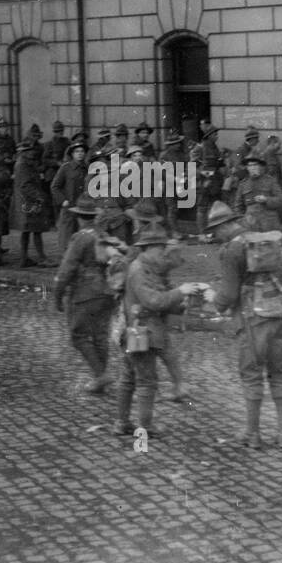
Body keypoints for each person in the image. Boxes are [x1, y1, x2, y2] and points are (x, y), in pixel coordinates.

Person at [206, 200, 282, 448]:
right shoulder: (265, 240)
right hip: (280, 313)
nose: (214, 236)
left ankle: (253, 434)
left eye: (215, 230)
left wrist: (213, 298)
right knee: (278, 373)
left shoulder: (230, 250)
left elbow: (228, 295)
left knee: (251, 375)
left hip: (253, 319)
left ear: (224, 226)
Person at [114, 224, 205, 437]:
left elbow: (162, 299)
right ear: (149, 247)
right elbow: (153, 301)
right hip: (142, 334)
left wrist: (182, 303)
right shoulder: (139, 270)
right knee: (146, 381)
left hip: (137, 331)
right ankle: (144, 427)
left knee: (128, 378)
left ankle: (121, 423)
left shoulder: (147, 268)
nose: (163, 252)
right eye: (160, 248)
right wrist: (179, 291)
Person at [53, 196, 123, 393]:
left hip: (85, 291)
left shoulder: (81, 237)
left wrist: (58, 295)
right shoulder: (102, 234)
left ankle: (101, 375)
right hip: (107, 290)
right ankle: (101, 376)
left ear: (78, 216)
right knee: (100, 335)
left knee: (79, 336)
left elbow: (67, 269)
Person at [10, 141, 54, 266]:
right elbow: (25, 186)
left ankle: (24, 259)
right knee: (36, 230)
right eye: (29, 150)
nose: (32, 152)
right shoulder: (23, 165)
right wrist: (39, 197)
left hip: (25, 202)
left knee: (27, 230)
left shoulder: (24, 163)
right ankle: (42, 258)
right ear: (23, 152)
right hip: (29, 202)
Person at [51, 137, 90, 253]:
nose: (80, 154)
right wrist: (63, 200)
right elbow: (55, 186)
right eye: (77, 151)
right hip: (69, 208)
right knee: (67, 237)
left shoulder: (87, 168)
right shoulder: (66, 168)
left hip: (83, 208)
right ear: (72, 154)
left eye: (82, 151)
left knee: (81, 238)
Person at [232, 154, 282, 231]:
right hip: (250, 224)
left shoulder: (270, 181)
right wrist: (242, 221)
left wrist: (266, 200)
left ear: (260, 166)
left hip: (269, 223)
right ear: (247, 168)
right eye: (250, 166)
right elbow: (238, 206)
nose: (253, 168)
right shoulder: (243, 184)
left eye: (255, 165)